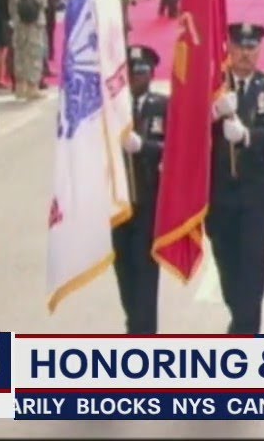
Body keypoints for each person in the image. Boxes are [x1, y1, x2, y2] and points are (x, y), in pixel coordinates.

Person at [208, 23, 264, 334]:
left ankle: (246, 331)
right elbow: (187, 132)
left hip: (257, 191)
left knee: (253, 262)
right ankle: (240, 317)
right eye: (240, 47)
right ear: (229, 48)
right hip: (218, 192)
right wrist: (211, 115)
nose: (246, 54)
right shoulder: (213, 86)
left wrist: (249, 136)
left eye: (252, 47)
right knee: (226, 263)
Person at [114, 45, 167, 334]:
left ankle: (144, 338)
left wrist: (144, 147)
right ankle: (134, 329)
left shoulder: (163, 106)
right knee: (125, 276)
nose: (136, 77)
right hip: (119, 207)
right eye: (131, 73)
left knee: (145, 277)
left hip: (149, 204)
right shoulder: (111, 111)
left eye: (142, 71)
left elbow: (175, 149)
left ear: (152, 74)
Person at [6, 0, 48, 101]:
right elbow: (41, 0)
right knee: (34, 53)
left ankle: (20, 87)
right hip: (33, 21)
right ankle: (33, 88)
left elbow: (10, 2)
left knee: (20, 53)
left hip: (18, 21)